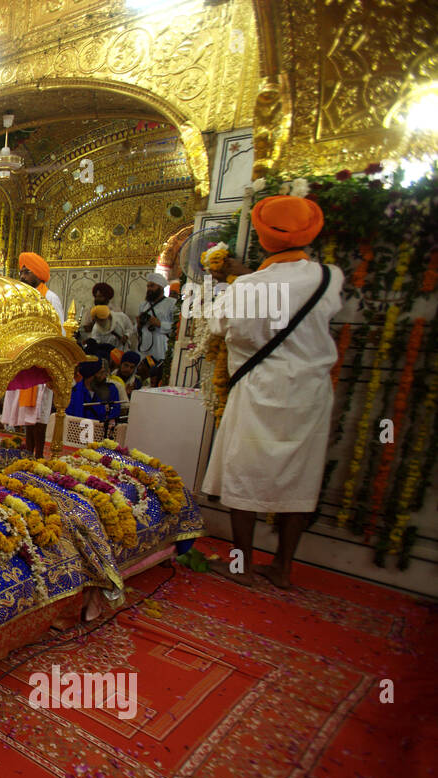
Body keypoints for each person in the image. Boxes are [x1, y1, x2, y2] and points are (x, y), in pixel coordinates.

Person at [200, 195, 344, 590]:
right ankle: (283, 566)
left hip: (258, 388)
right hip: (310, 393)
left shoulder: (247, 286)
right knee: (302, 475)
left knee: (244, 471)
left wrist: (239, 279)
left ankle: (242, 565)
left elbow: (217, 327)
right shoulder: (329, 278)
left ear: (263, 238)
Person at [0, 252, 64, 455]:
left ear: (39, 275)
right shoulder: (21, 297)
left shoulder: (50, 298)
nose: (22, 276)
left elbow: (59, 331)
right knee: (24, 414)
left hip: (41, 363)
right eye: (21, 272)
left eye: (27, 272)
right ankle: (27, 451)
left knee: (38, 414)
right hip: (22, 360)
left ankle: (38, 454)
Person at [137, 271, 177, 373]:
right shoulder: (143, 305)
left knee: (159, 372)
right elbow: (136, 328)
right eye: (148, 286)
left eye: (152, 286)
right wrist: (138, 324)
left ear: (160, 287)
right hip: (145, 345)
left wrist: (159, 324)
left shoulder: (171, 303)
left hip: (161, 345)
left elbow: (177, 326)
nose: (149, 289)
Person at [79, 283, 135, 350]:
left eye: (100, 297)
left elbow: (130, 328)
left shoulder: (118, 313)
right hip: (103, 349)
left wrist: (126, 336)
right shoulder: (92, 313)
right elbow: (91, 334)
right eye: (96, 297)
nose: (97, 299)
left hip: (119, 348)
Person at [65, 359, 112, 425]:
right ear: (91, 376)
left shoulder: (107, 391)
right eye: (101, 373)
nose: (104, 376)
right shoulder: (73, 394)